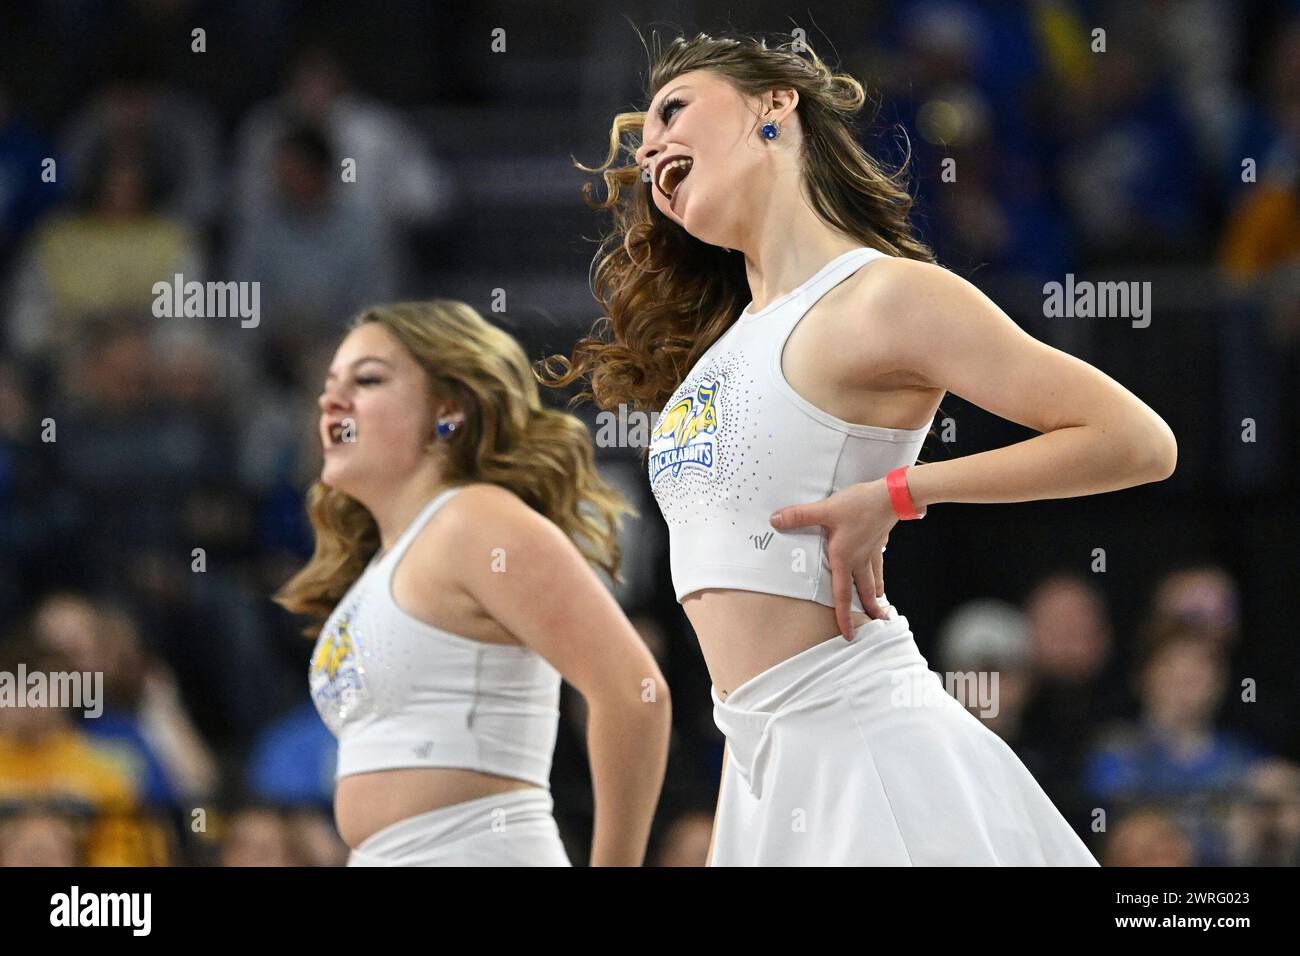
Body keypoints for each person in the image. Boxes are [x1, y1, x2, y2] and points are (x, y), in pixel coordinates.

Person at [541, 32, 1177, 865]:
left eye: (674, 110)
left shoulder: (884, 296)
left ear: (776, 106)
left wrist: (902, 492)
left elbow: (1137, 440)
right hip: (759, 766)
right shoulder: (724, 342)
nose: (652, 143)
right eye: (644, 141)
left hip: (867, 745)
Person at [275, 301, 671, 866]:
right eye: (330, 383)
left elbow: (635, 695)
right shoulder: (383, 563)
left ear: (449, 412)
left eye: (367, 379)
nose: (330, 400)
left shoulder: (475, 521)